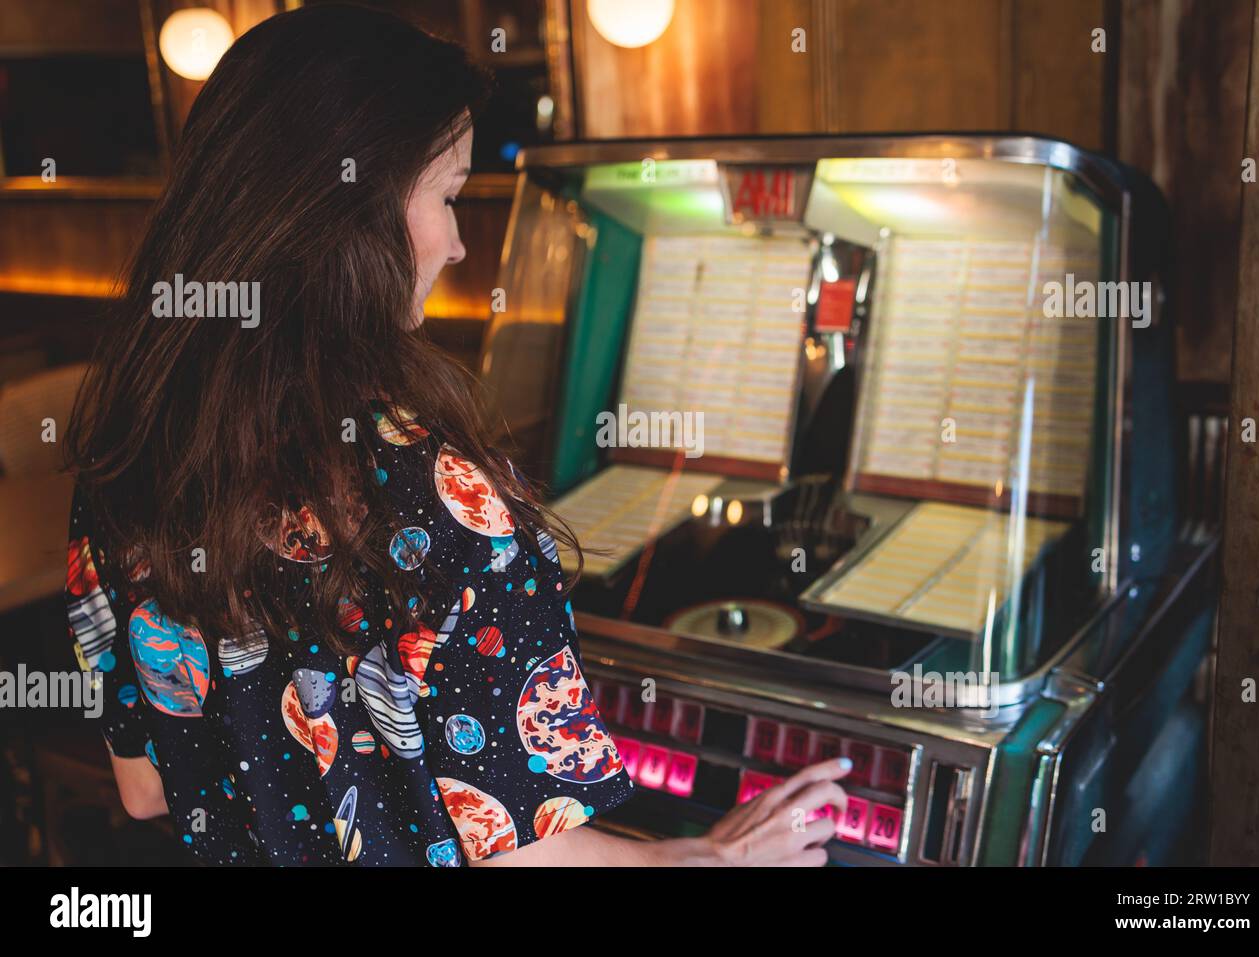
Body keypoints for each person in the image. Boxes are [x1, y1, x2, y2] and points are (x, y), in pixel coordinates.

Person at [62, 3, 848, 867]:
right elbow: (515, 853)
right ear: (354, 212)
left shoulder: (126, 449)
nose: (460, 242)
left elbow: (143, 783)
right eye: (448, 195)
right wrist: (695, 858)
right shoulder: (442, 497)